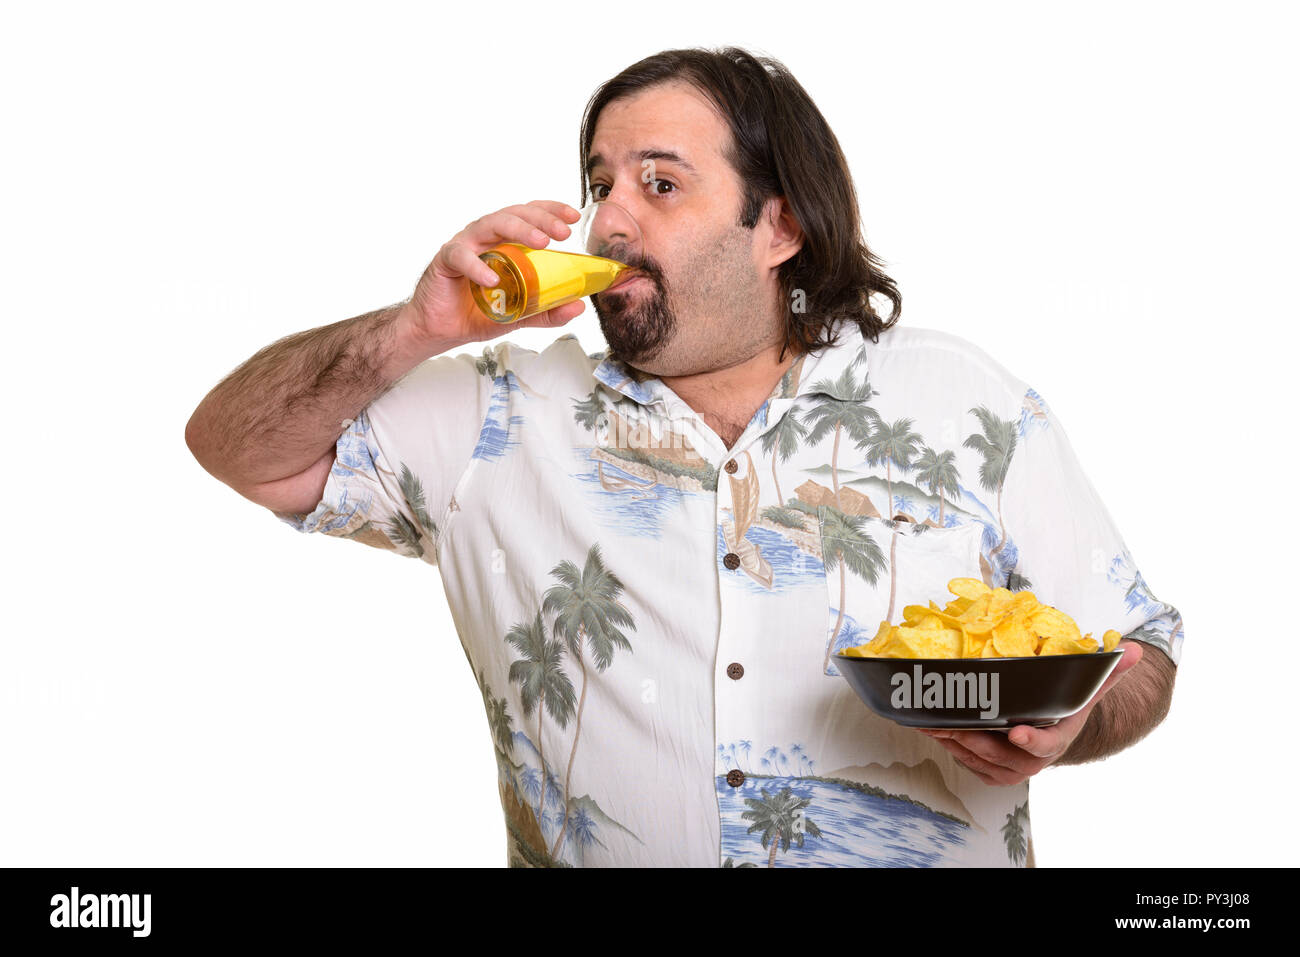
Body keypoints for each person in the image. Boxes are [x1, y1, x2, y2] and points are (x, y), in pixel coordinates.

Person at [185, 47, 1180, 868]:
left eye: (660, 183)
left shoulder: (963, 400)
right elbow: (239, 449)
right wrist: (412, 329)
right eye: (600, 185)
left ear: (778, 225)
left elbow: (1138, 653)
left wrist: (1068, 729)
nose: (609, 220)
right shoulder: (498, 414)